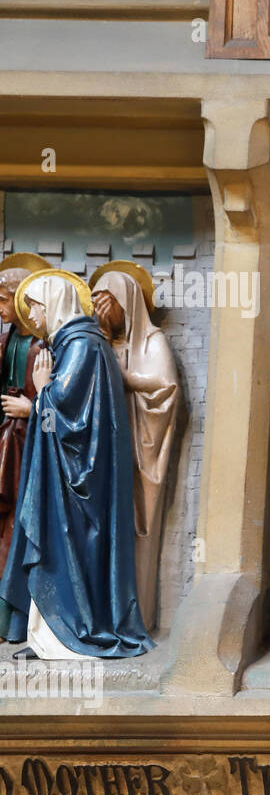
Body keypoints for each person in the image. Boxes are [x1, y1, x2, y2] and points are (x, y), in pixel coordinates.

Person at [0, 270, 151, 659]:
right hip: (66, 472)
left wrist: (42, 393)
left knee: (64, 549)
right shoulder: (73, 343)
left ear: (54, 304)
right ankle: (47, 635)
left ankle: (68, 634)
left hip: (76, 479)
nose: (32, 316)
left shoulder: (82, 346)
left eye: (35, 306)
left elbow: (67, 423)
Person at [90, 262, 180, 633]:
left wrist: (120, 374)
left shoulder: (152, 341)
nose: (96, 309)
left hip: (139, 450)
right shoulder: (97, 342)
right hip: (103, 453)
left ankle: (133, 619)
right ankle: (98, 617)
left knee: (136, 531)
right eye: (92, 300)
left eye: (103, 301)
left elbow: (164, 388)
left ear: (125, 302)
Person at [0, 254, 45, 642]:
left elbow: (54, 396)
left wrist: (30, 410)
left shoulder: (42, 343)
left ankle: (14, 621)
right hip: (4, 435)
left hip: (28, 442)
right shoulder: (7, 338)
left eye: (3, 300)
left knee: (19, 524)